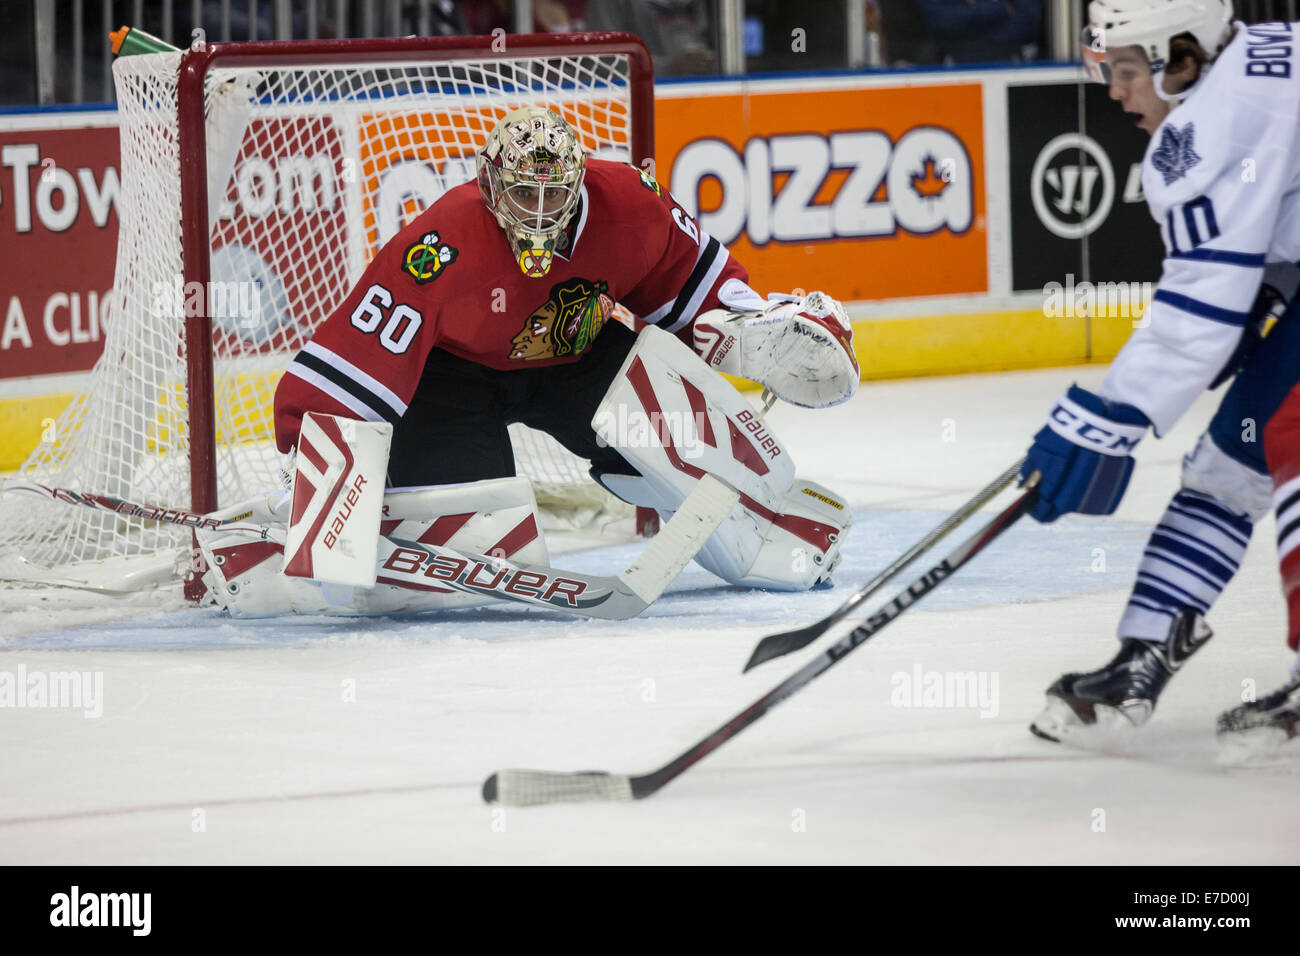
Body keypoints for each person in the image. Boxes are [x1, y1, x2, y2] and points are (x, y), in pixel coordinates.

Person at [270, 106, 861, 601]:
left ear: (582, 180)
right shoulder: (441, 244)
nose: (540, 210)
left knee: (685, 441)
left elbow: (695, 287)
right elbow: (360, 359)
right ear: (490, 182)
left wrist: (747, 325)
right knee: (477, 555)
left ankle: (768, 518)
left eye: (557, 193)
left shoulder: (631, 203)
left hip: (573, 352)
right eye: (524, 193)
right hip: (449, 384)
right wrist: (311, 463)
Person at [1023, 0, 1300, 749]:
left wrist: (1096, 422)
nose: (1114, 92)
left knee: (1290, 439)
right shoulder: (1266, 53)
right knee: (1231, 463)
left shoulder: (1204, 133)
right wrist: (1269, 295)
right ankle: (1142, 657)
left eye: (1124, 71)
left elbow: (1194, 319)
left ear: (1181, 59)